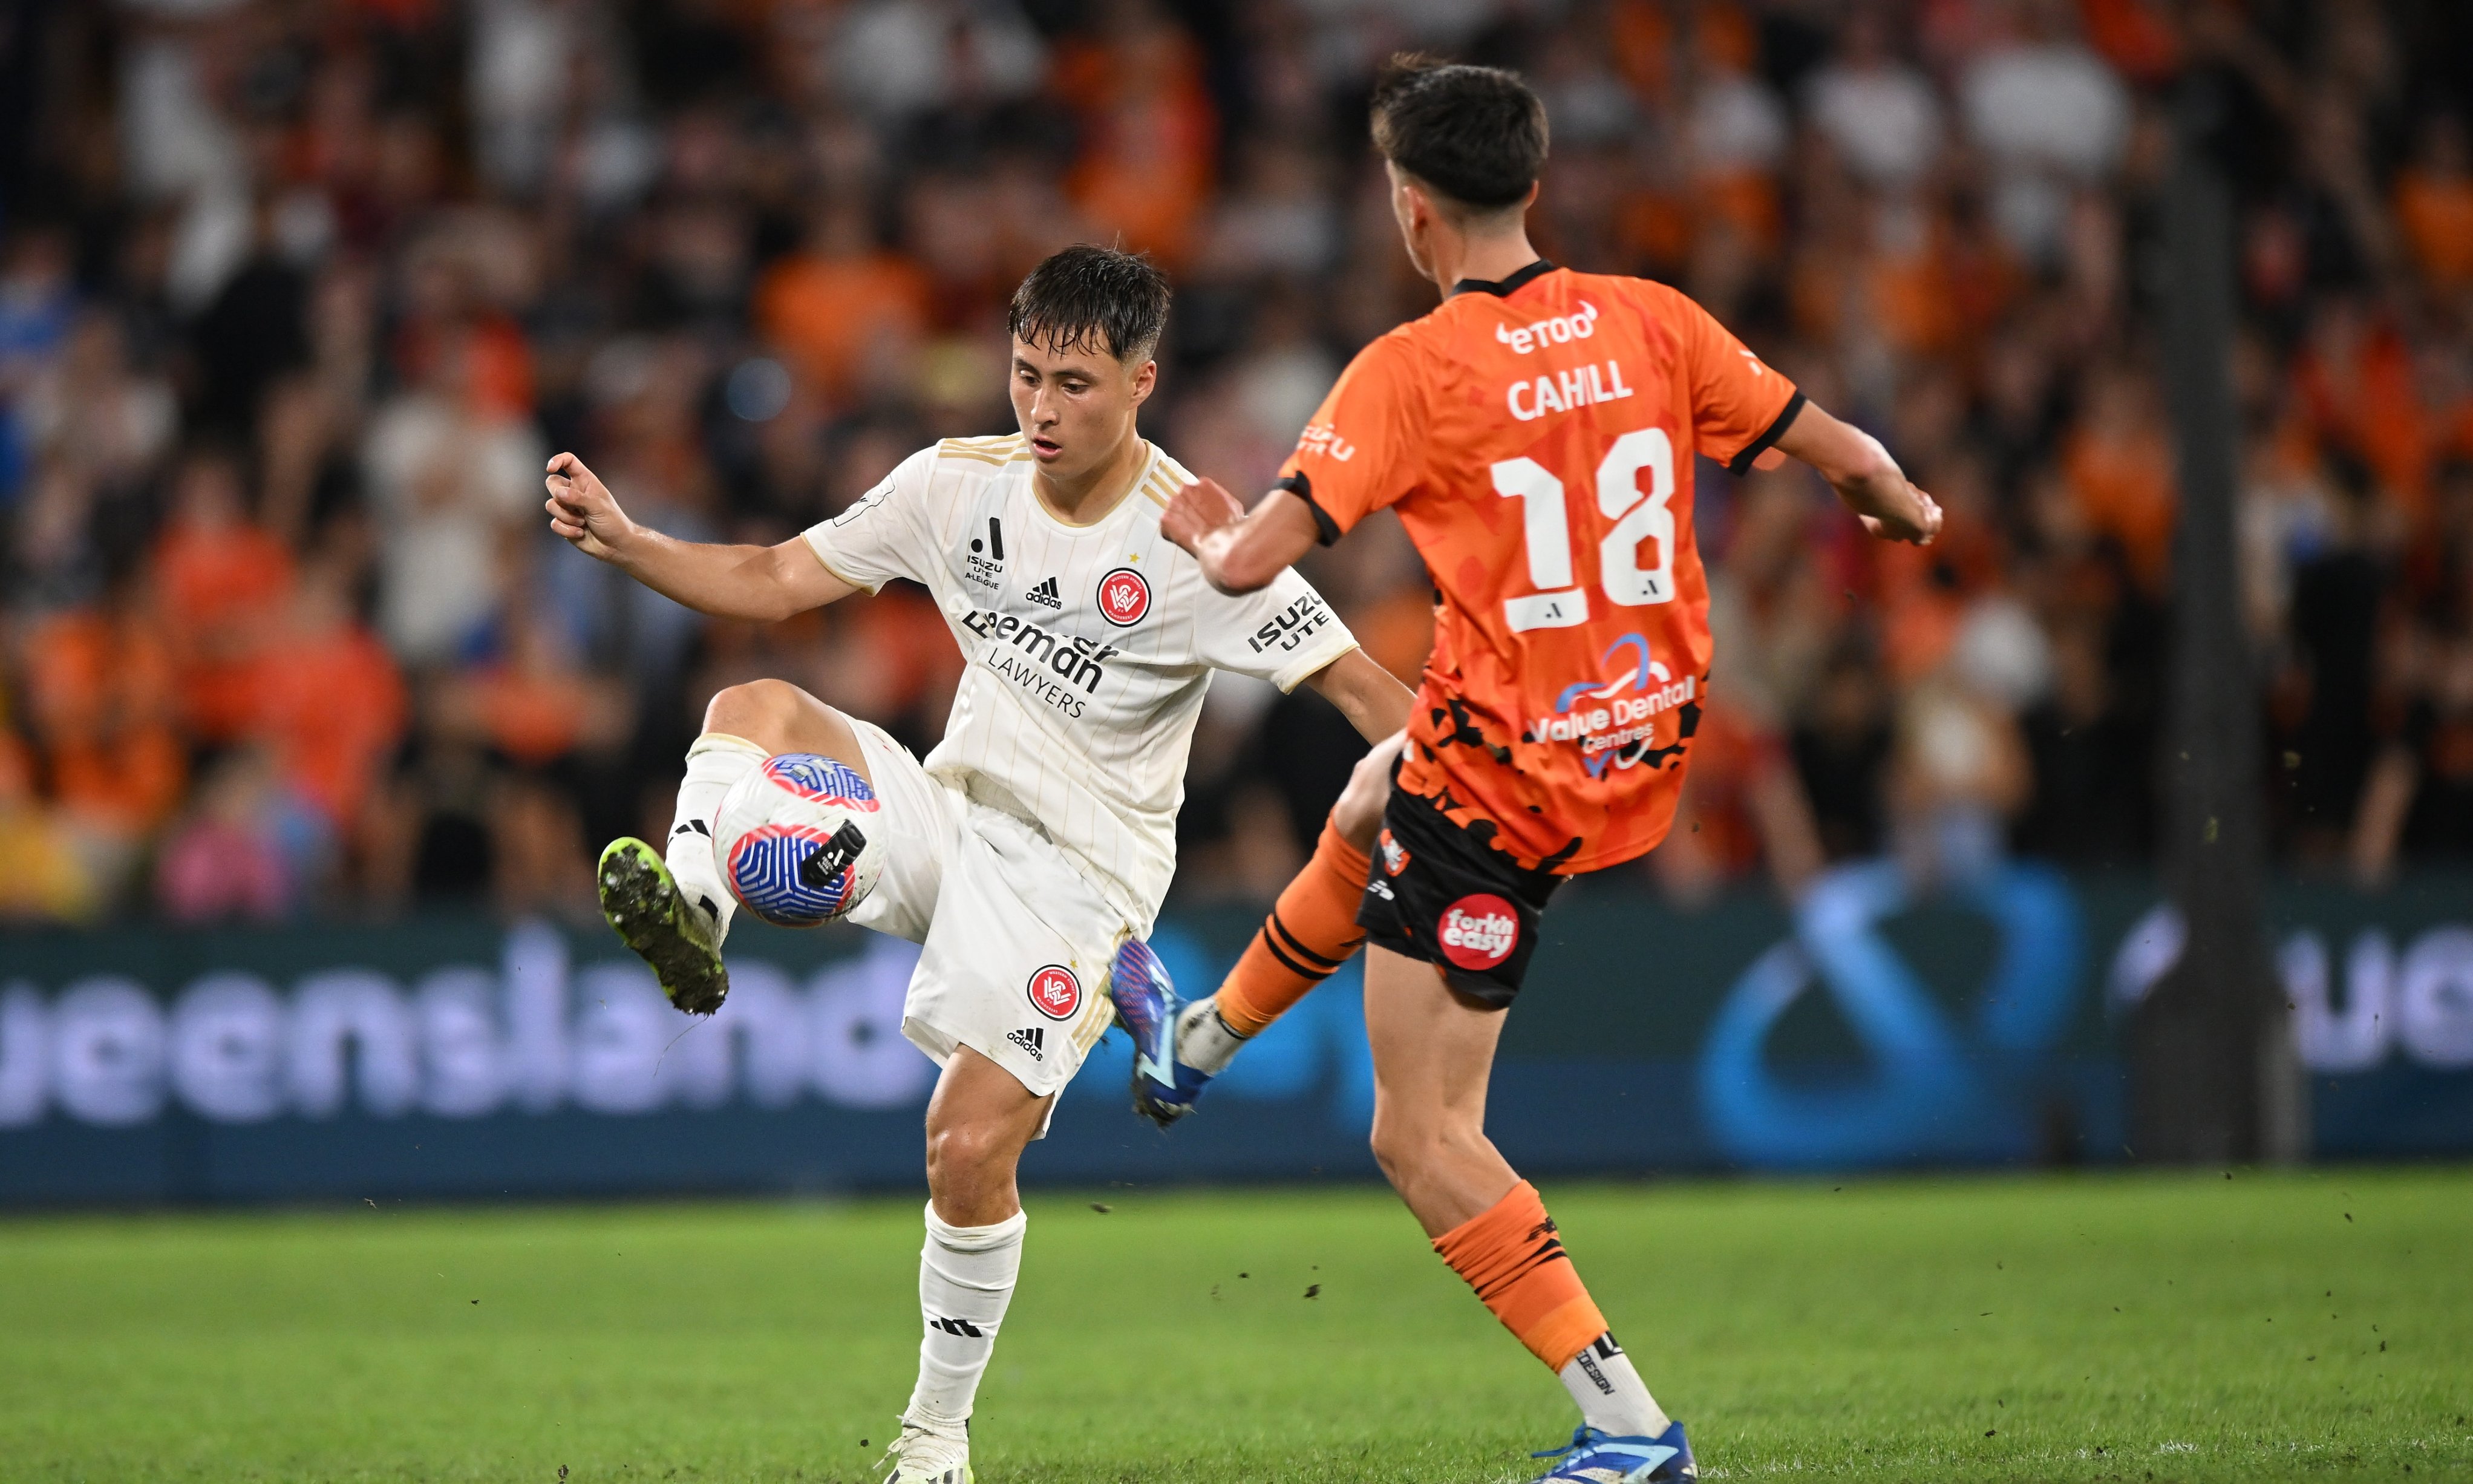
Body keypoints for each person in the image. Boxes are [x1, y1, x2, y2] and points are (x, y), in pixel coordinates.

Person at [1123, 58, 1942, 1484]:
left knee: (1419, 1136)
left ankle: (1628, 1426)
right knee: (1375, 784)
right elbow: (1853, 455)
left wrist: (1203, 530)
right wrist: (1906, 511)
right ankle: (1197, 1045)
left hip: (1504, 791)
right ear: (1532, 183)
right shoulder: (1651, 321)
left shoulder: (1410, 369)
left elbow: (1255, 560)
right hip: (1634, 745)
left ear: (1410, 207)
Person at [541, 245, 1413, 1484]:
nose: (1042, 410)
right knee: (758, 703)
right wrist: (627, 539)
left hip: (1075, 874)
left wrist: (1485, 793)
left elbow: (1364, 689)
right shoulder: (954, 486)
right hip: (951, 812)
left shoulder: (1195, 543)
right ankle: (697, 904)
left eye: (1074, 384)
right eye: (1023, 376)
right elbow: (779, 579)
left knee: (962, 1148)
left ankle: (934, 1440)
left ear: (1141, 382)